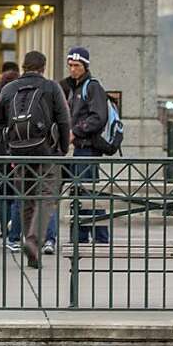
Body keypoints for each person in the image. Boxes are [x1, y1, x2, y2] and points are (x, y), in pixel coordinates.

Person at [0, 50, 70, 269]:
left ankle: (30, 248)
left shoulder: (8, 89)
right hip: (46, 151)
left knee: (26, 197)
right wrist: (62, 149)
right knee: (47, 196)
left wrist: (9, 148)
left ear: (23, 66)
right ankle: (34, 240)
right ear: (43, 67)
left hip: (19, 152)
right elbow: (64, 121)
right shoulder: (51, 87)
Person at [63, 47, 113, 244]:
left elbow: (98, 116)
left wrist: (76, 132)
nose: (73, 69)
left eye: (77, 65)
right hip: (81, 147)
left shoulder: (91, 87)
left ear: (85, 66)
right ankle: (84, 237)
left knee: (88, 192)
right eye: (70, 65)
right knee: (84, 192)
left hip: (88, 147)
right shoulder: (75, 88)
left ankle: (98, 237)